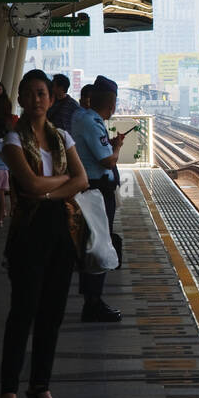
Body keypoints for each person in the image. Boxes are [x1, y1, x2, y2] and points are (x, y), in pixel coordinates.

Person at [0, 70, 89, 398]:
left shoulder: (62, 136)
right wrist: (59, 185)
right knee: (22, 312)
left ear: (52, 99)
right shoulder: (12, 140)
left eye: (42, 93)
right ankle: (8, 390)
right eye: (30, 94)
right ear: (20, 99)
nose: (37, 99)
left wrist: (50, 188)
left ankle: (40, 386)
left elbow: (81, 179)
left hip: (63, 232)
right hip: (29, 232)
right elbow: (30, 186)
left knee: (52, 314)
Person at [70, 76, 124, 322]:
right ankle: (93, 303)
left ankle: (92, 298)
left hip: (89, 190)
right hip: (97, 192)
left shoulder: (81, 117)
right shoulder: (92, 122)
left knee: (92, 244)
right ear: (111, 105)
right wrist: (117, 148)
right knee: (99, 245)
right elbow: (106, 161)